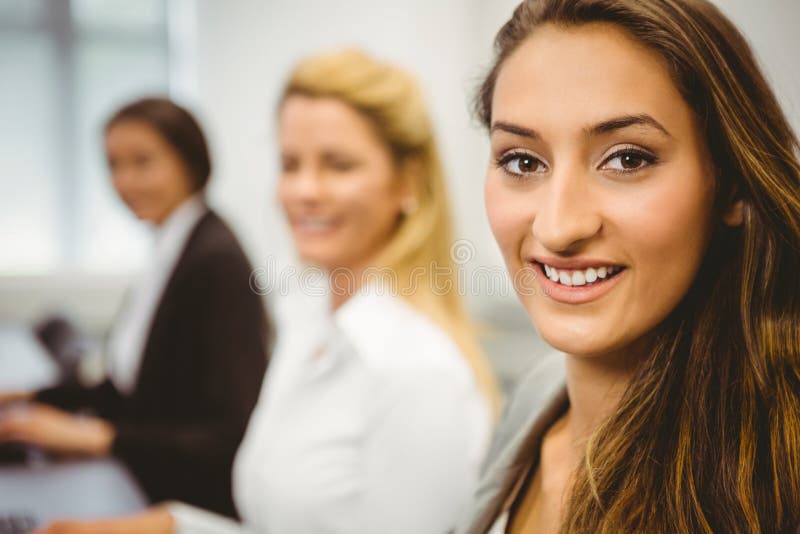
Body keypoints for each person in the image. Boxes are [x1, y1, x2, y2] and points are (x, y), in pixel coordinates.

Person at [32, 49, 500, 534]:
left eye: (338, 165)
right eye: (290, 164)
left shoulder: (417, 372)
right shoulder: (307, 325)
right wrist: (168, 525)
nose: (304, 191)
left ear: (408, 182)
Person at [455, 0, 800, 532]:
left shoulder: (780, 480)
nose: (558, 227)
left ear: (731, 183)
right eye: (523, 161)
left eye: (628, 159)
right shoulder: (533, 404)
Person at [0, 97, 271, 519]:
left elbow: (229, 432)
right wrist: (33, 397)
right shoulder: (171, 246)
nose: (124, 181)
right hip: (144, 480)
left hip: (184, 504)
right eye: (113, 164)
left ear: (191, 161)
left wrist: (99, 436)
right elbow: (133, 386)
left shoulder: (215, 260)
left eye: (143, 163)